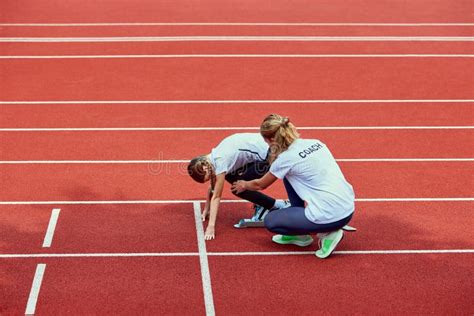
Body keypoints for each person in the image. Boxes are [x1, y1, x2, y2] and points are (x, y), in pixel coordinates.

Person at [231, 114, 355, 258]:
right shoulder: (316, 143)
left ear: (271, 140)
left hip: (330, 216)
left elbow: (259, 185)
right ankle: (302, 233)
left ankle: (328, 234)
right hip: (348, 208)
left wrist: (243, 184)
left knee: (271, 221)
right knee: (288, 176)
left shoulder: (286, 159)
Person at [187, 133, 288, 240]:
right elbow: (213, 185)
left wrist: (211, 226)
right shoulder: (211, 158)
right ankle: (267, 204)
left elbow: (216, 196)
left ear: (205, 167)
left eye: (208, 176)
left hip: (271, 155)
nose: (211, 178)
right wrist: (207, 209)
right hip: (265, 146)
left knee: (238, 189)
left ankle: (275, 205)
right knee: (230, 177)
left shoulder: (220, 162)